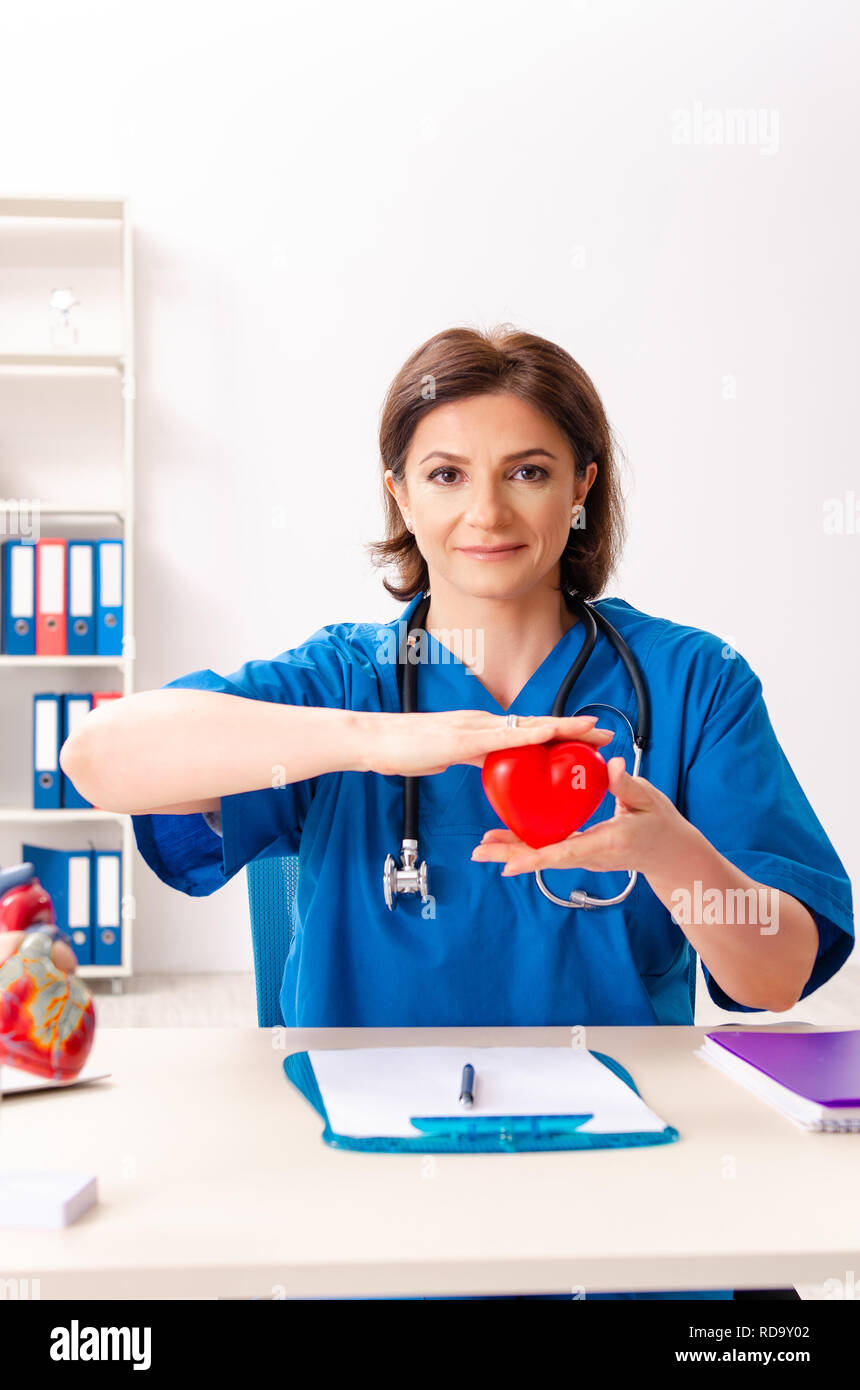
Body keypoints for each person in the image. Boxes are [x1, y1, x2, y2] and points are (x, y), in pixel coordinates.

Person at [60, 324, 855, 1301]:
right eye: (444, 474)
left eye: (527, 470)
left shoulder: (690, 682)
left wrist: (671, 853)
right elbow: (97, 757)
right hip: (368, 1188)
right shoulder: (340, 681)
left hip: (624, 1185)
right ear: (398, 492)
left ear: (580, 488)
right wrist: (381, 741)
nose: (485, 509)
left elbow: (774, 979)